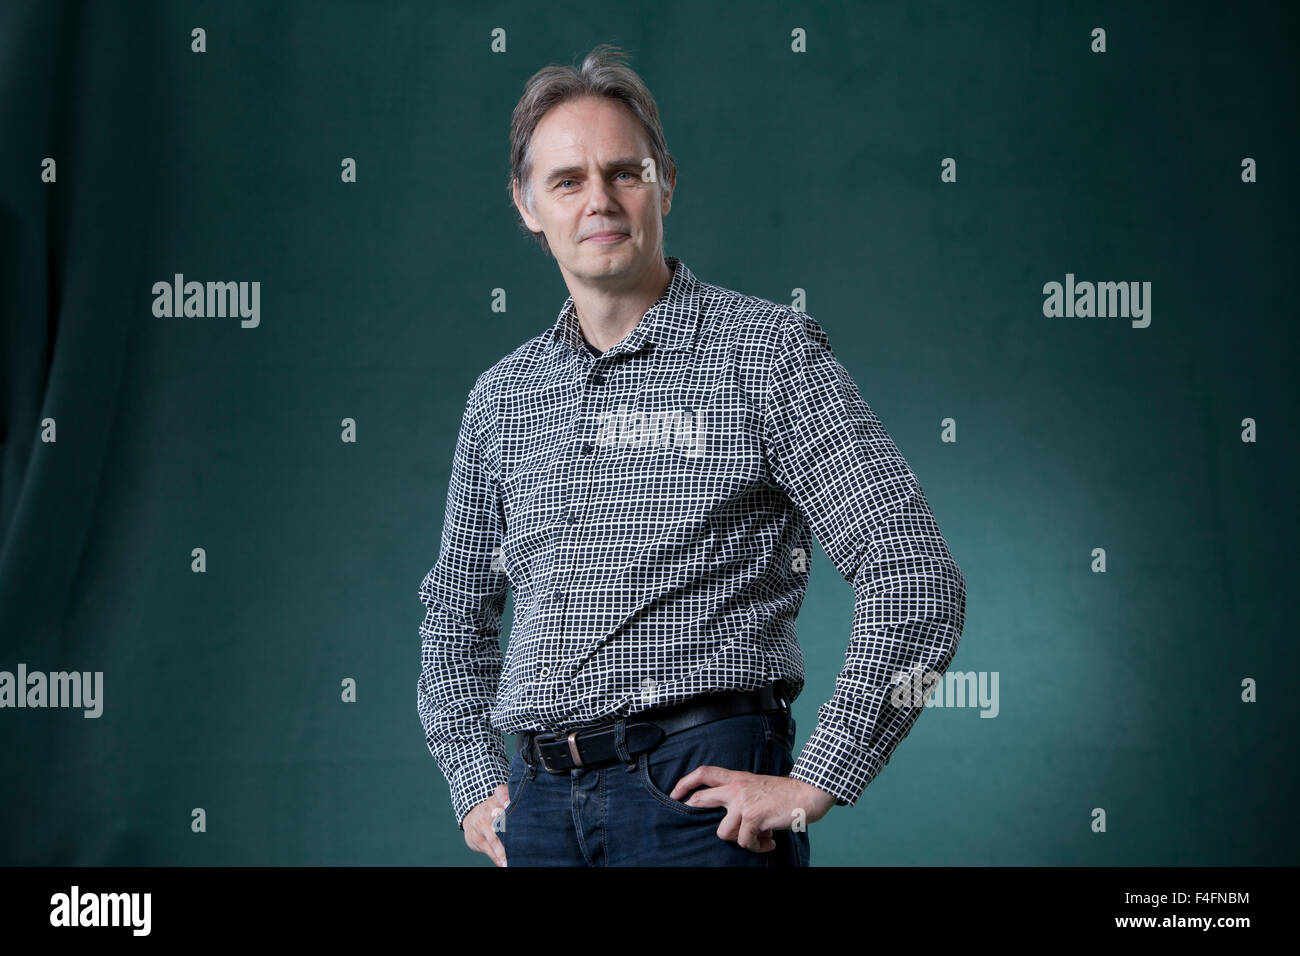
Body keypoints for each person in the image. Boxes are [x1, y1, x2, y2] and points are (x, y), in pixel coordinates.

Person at [416, 44, 967, 866]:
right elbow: (453, 622)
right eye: (568, 180)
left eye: (624, 173)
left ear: (665, 182)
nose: (599, 200)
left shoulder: (768, 353)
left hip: (698, 804)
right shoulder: (501, 397)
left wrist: (821, 778)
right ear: (528, 206)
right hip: (537, 813)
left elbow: (919, 581)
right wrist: (472, 782)